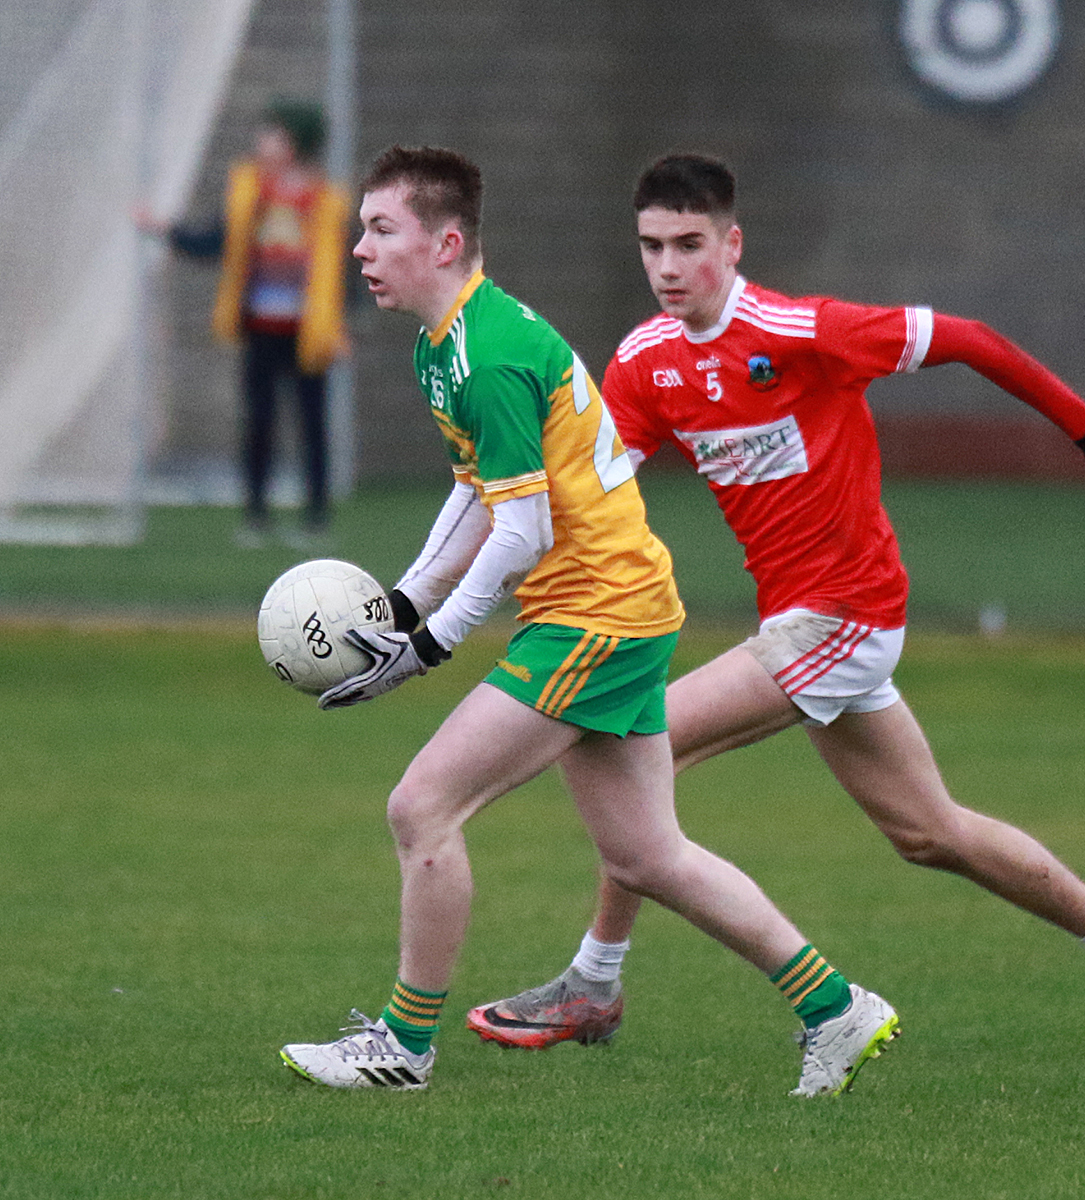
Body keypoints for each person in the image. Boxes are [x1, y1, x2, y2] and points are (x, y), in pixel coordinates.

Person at [466, 154, 1085, 1063]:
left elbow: (968, 337)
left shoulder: (805, 332)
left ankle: (593, 985)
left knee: (630, 742)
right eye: (652, 246)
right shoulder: (646, 364)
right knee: (929, 833)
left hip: (847, 615)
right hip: (797, 626)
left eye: (689, 244)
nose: (668, 266)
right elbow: (594, 487)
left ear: (731, 244)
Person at [277, 145, 898, 1098]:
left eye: (380, 228)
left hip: (595, 617)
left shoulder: (484, 356)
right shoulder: (450, 341)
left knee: (423, 805)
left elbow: (520, 529)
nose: (360, 247)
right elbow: (476, 493)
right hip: (621, 607)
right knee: (648, 854)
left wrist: (428, 648)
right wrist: (404, 604)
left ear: (445, 243)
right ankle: (837, 1009)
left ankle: (401, 1051)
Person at [136, 98, 348, 548]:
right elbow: (218, 241)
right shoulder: (249, 191)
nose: (263, 142)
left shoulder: (326, 199)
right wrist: (165, 230)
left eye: (273, 134)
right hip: (261, 328)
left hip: (308, 333)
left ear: (294, 143)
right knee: (258, 420)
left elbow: (341, 269)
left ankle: (316, 517)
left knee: (313, 422)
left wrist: (343, 325)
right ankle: (256, 514)